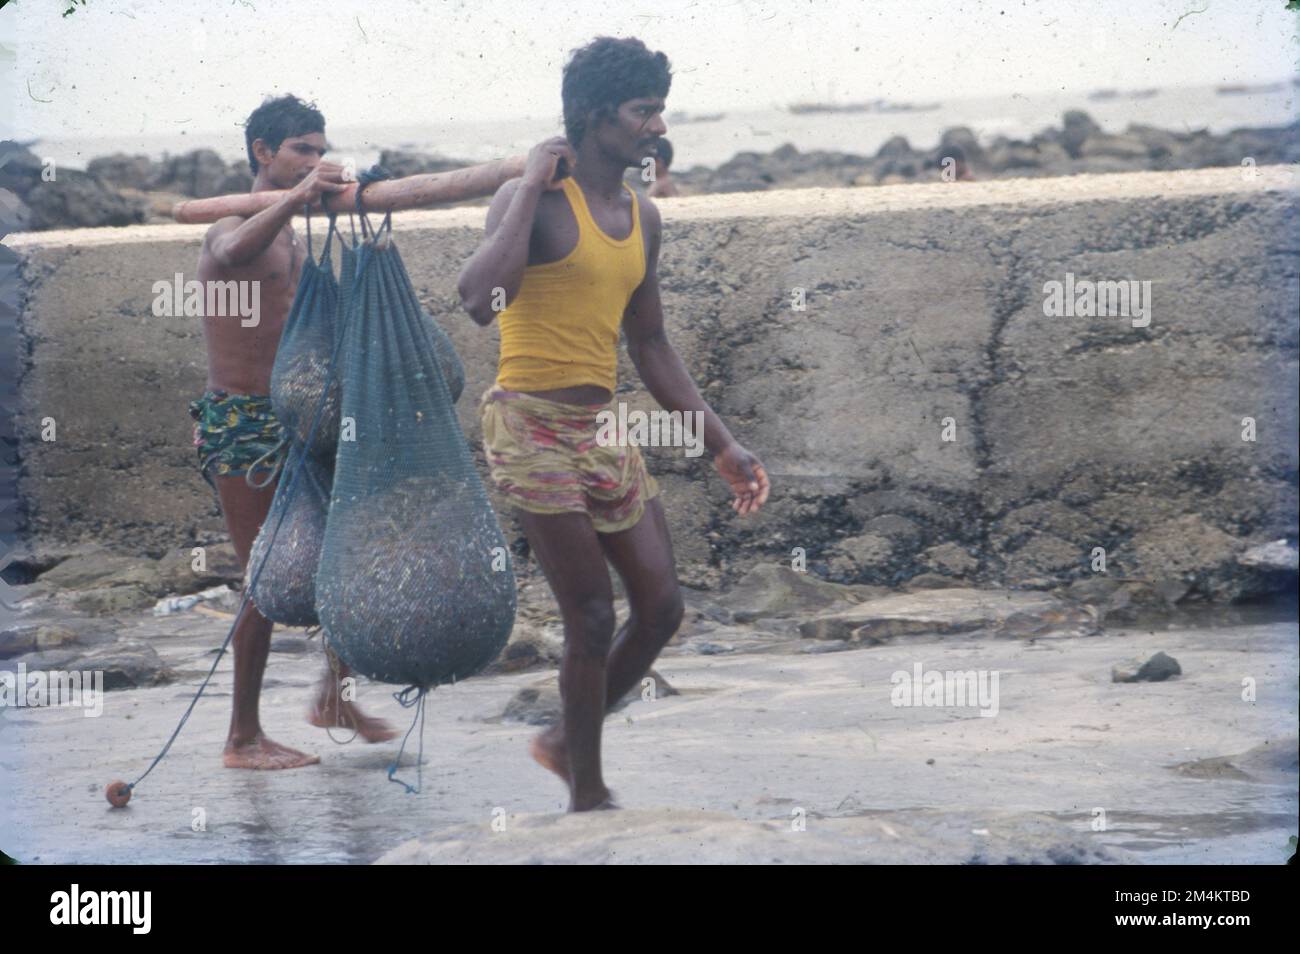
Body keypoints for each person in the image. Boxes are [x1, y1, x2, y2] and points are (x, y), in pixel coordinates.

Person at [458, 37, 771, 811]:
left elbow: (652, 344)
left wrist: (723, 444)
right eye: (642, 110)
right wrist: (530, 183)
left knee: (661, 606)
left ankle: (566, 739)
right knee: (592, 614)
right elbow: (477, 301)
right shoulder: (532, 204)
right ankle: (587, 794)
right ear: (598, 117)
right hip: (527, 424)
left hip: (601, 429)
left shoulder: (643, 217)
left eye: (659, 108)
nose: (656, 126)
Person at [192, 94, 397, 769]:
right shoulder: (234, 221)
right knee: (265, 579)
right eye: (301, 150)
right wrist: (298, 195)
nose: (315, 160)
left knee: (338, 558)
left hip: (301, 421)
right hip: (244, 428)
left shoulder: (293, 231)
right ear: (263, 153)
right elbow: (229, 247)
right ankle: (241, 736)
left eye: (319, 149)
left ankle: (334, 695)